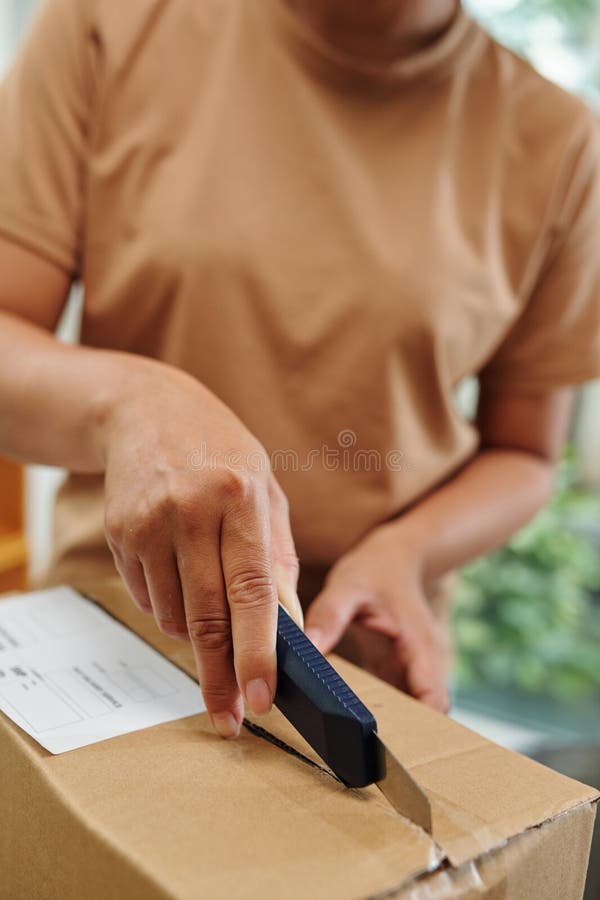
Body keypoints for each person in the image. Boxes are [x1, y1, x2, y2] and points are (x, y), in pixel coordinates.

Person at [0, 0, 599, 740]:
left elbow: (528, 453)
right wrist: (126, 401)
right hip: (110, 642)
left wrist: (403, 552)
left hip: (361, 669)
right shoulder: (110, 24)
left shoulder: (562, 143)